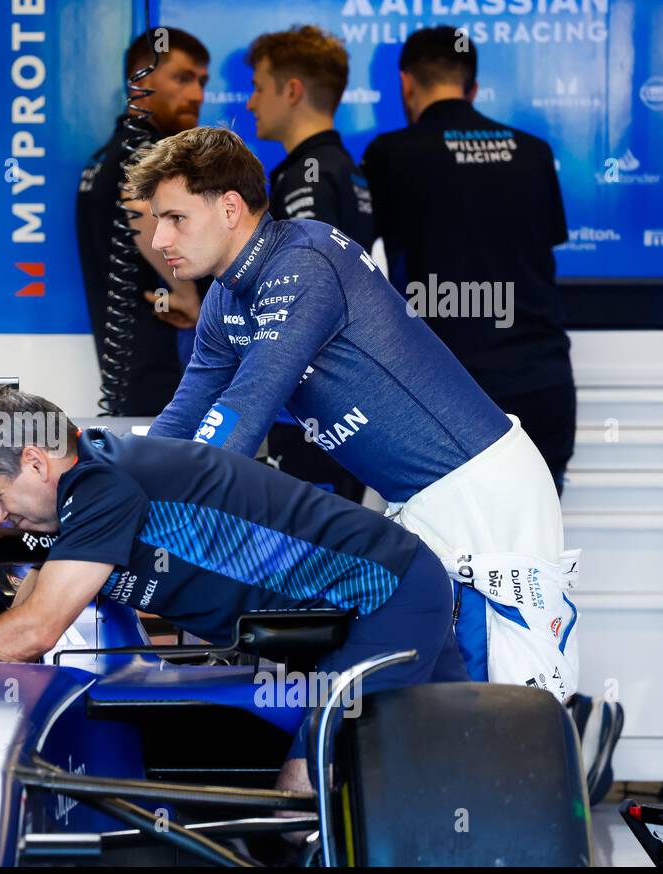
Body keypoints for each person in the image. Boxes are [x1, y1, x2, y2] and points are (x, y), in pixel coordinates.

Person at [126, 126, 579, 703]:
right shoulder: (224, 297)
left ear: (231, 208)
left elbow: (242, 417)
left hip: (480, 491)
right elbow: (182, 420)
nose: (160, 237)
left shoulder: (304, 261)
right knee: (418, 694)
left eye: (175, 218)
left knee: (488, 700)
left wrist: (130, 511)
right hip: (418, 497)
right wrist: (110, 479)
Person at [0, 385, 467, 794]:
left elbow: (37, 629)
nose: (1, 516)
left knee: (305, 798)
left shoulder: (100, 486)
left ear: (35, 462)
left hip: (386, 596)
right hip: (371, 603)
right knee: (458, 773)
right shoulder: (89, 488)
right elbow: (28, 608)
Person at [361, 26, 576, 492]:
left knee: (445, 556)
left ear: (405, 83)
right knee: (535, 549)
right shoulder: (534, 153)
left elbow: (356, 257)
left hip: (444, 392)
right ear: (473, 87)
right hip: (542, 382)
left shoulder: (389, 155)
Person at [245, 24, 370, 502]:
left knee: (303, 561)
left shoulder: (309, 178)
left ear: (292, 90)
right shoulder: (347, 169)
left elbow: (305, 297)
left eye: (259, 88)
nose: (252, 102)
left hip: (316, 403)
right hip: (342, 401)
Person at [76, 27, 210, 414]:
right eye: (183, 78)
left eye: (202, 81)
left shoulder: (103, 158)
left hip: (127, 368)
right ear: (140, 82)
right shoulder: (153, 156)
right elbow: (141, 215)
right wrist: (188, 296)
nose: (197, 95)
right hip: (164, 365)